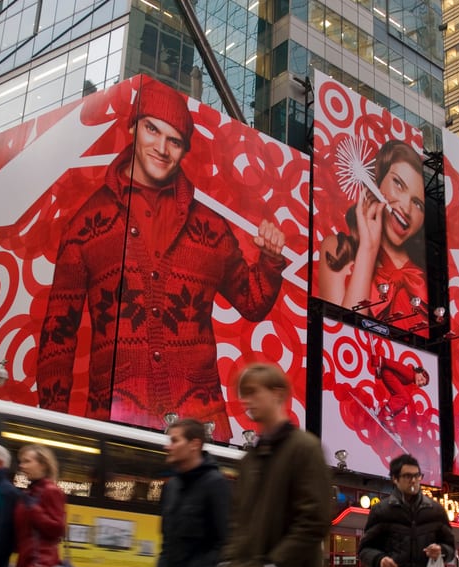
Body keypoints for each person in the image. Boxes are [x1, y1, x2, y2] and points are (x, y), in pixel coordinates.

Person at [36, 77, 287, 442]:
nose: (161, 148)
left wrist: (269, 259)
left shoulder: (210, 227)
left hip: (201, 431)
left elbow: (252, 301)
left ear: (184, 150)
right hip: (115, 426)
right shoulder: (87, 224)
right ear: (133, 127)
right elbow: (58, 335)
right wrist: (54, 426)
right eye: (152, 129)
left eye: (175, 140)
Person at [211, 363, 332, 567]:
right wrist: (229, 566)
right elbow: (238, 523)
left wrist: (275, 566)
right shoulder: (251, 458)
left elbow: (315, 518)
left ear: (278, 394)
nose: (246, 401)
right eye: (243, 394)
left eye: (253, 392)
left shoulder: (305, 448)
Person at [318, 140, 427, 319]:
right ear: (378, 182)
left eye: (417, 204)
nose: (406, 209)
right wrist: (368, 250)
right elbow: (341, 335)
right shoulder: (338, 250)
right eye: (398, 184)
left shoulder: (422, 275)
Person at [153, 418, 231, 567]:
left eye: (175, 440)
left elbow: (225, 543)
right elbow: (167, 540)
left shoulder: (215, 484)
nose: (168, 446)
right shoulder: (172, 487)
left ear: (194, 444)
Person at [370, 354, 430, 424]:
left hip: (388, 374)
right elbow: (397, 366)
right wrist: (382, 361)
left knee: (403, 398)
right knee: (405, 397)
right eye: (422, 379)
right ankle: (385, 414)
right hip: (388, 374)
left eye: (422, 384)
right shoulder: (410, 373)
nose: (421, 382)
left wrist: (380, 371)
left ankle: (386, 414)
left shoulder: (411, 379)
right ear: (418, 372)